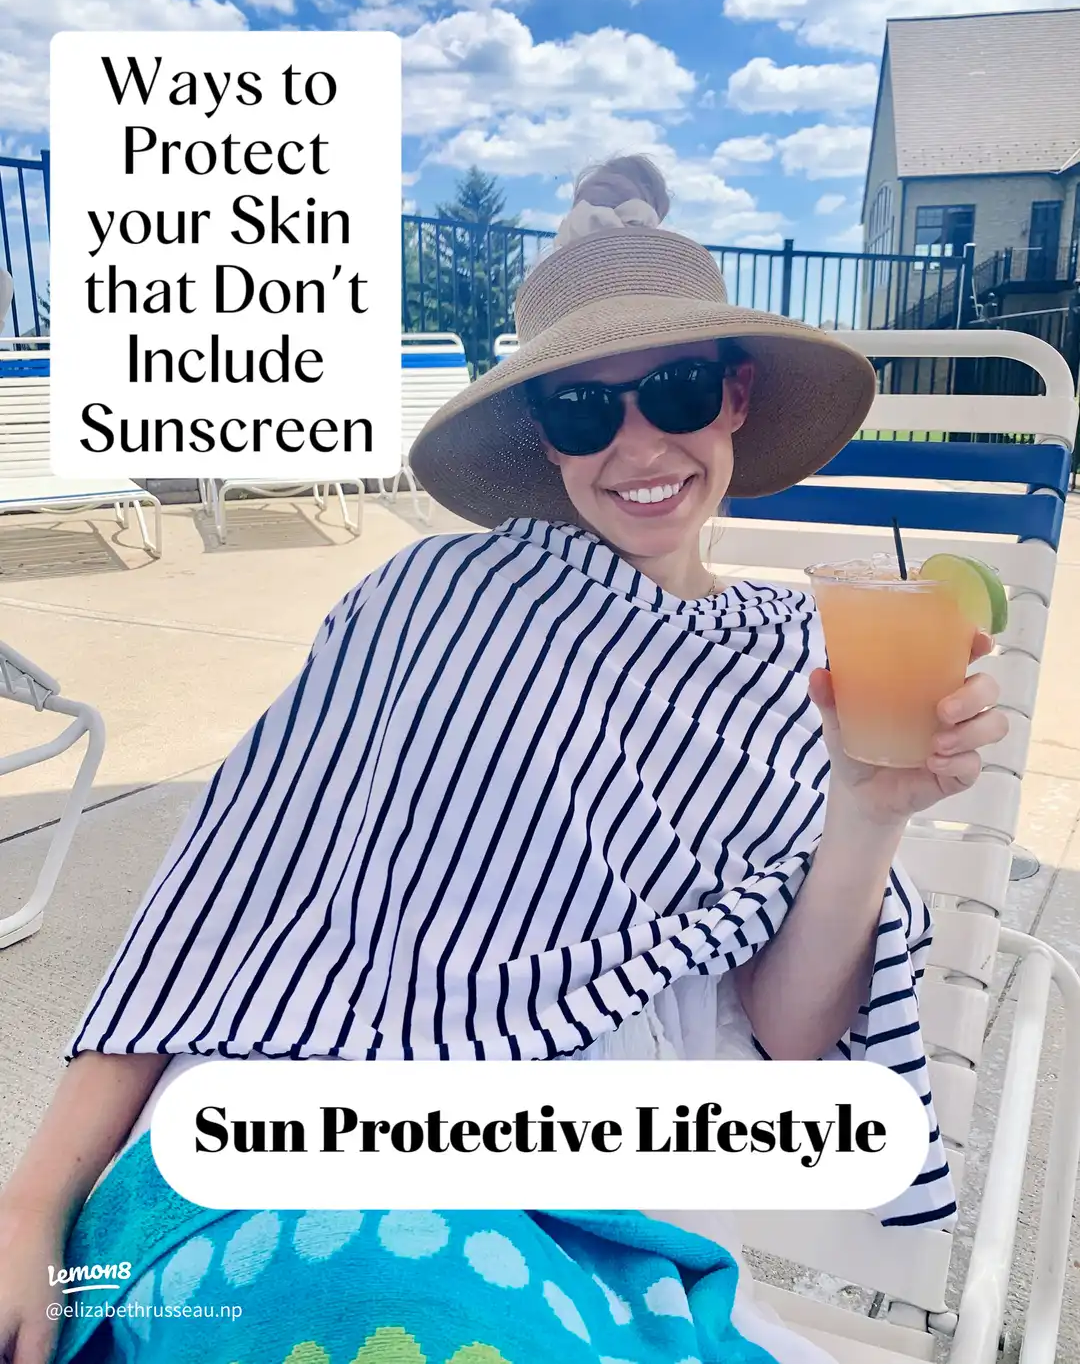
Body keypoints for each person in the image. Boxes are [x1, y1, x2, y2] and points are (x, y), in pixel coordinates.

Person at [0, 156, 1006, 1364]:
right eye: (584, 409)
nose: (637, 445)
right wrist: (32, 1205)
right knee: (325, 1284)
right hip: (302, 1127)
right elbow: (224, 908)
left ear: (736, 396)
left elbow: (791, 1041)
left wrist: (868, 808)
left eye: (675, 390)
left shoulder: (805, 656)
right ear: (540, 433)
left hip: (596, 1166)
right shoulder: (424, 602)